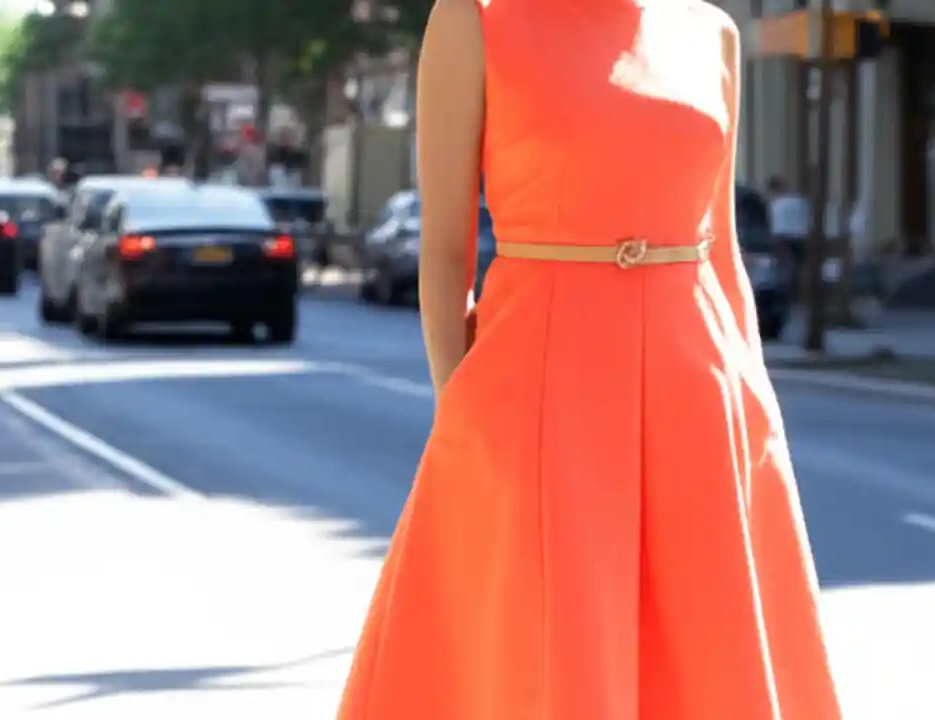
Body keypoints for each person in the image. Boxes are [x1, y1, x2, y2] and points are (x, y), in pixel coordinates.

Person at [338, 1, 841, 718]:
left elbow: (720, 246)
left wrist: (756, 410)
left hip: (696, 387)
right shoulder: (474, 18)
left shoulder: (712, 31)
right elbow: (446, 249)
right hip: (537, 383)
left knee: (700, 664)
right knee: (541, 659)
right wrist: (462, 412)